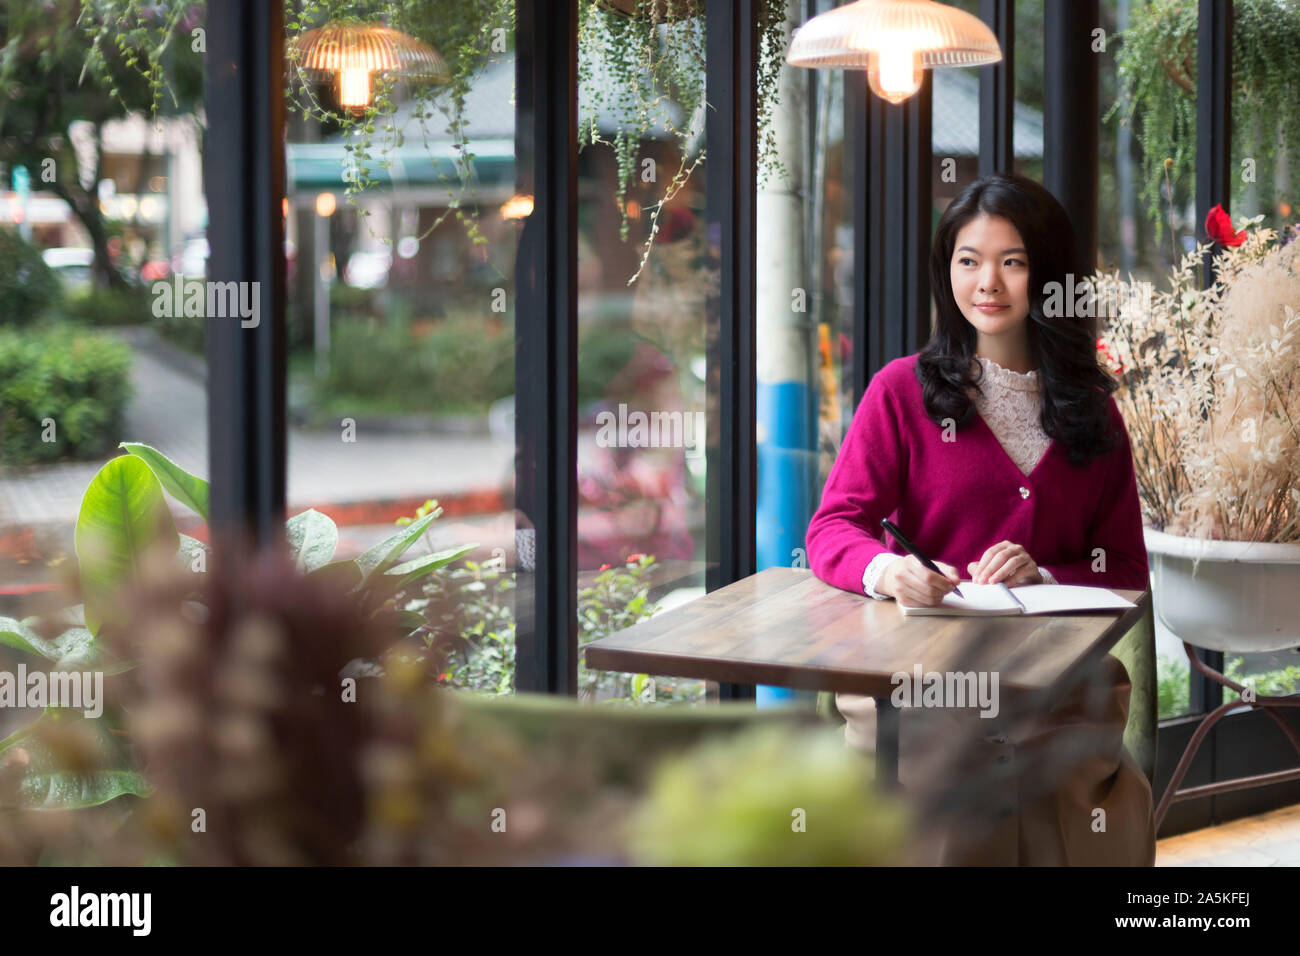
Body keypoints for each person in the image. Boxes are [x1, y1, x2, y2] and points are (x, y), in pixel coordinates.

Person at [804, 172, 1155, 866]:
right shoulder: (902, 391)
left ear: (1047, 275)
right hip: (921, 677)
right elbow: (833, 526)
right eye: (969, 260)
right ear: (948, 272)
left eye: (1012, 262)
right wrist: (888, 569)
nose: (986, 282)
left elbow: (1124, 567)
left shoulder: (1093, 410)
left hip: (1055, 679)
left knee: (1051, 784)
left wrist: (1047, 573)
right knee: (963, 782)